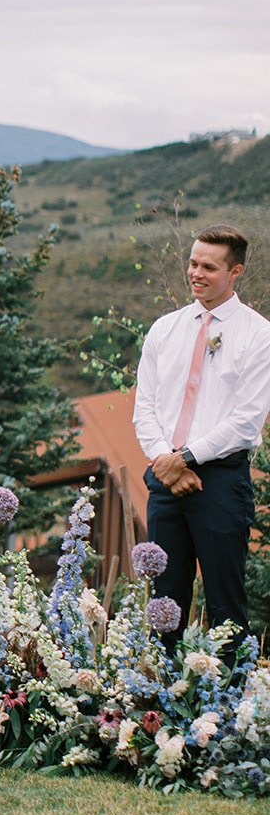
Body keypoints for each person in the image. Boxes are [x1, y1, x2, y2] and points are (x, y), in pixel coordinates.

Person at [134, 225, 270, 644]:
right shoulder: (165, 329)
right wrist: (167, 462)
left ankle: (227, 705)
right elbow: (145, 410)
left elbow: (246, 420)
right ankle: (158, 701)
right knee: (162, 604)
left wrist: (186, 458)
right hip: (166, 480)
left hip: (221, 482)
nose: (196, 273)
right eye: (193, 263)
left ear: (235, 272)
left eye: (209, 267)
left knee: (225, 604)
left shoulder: (258, 334)